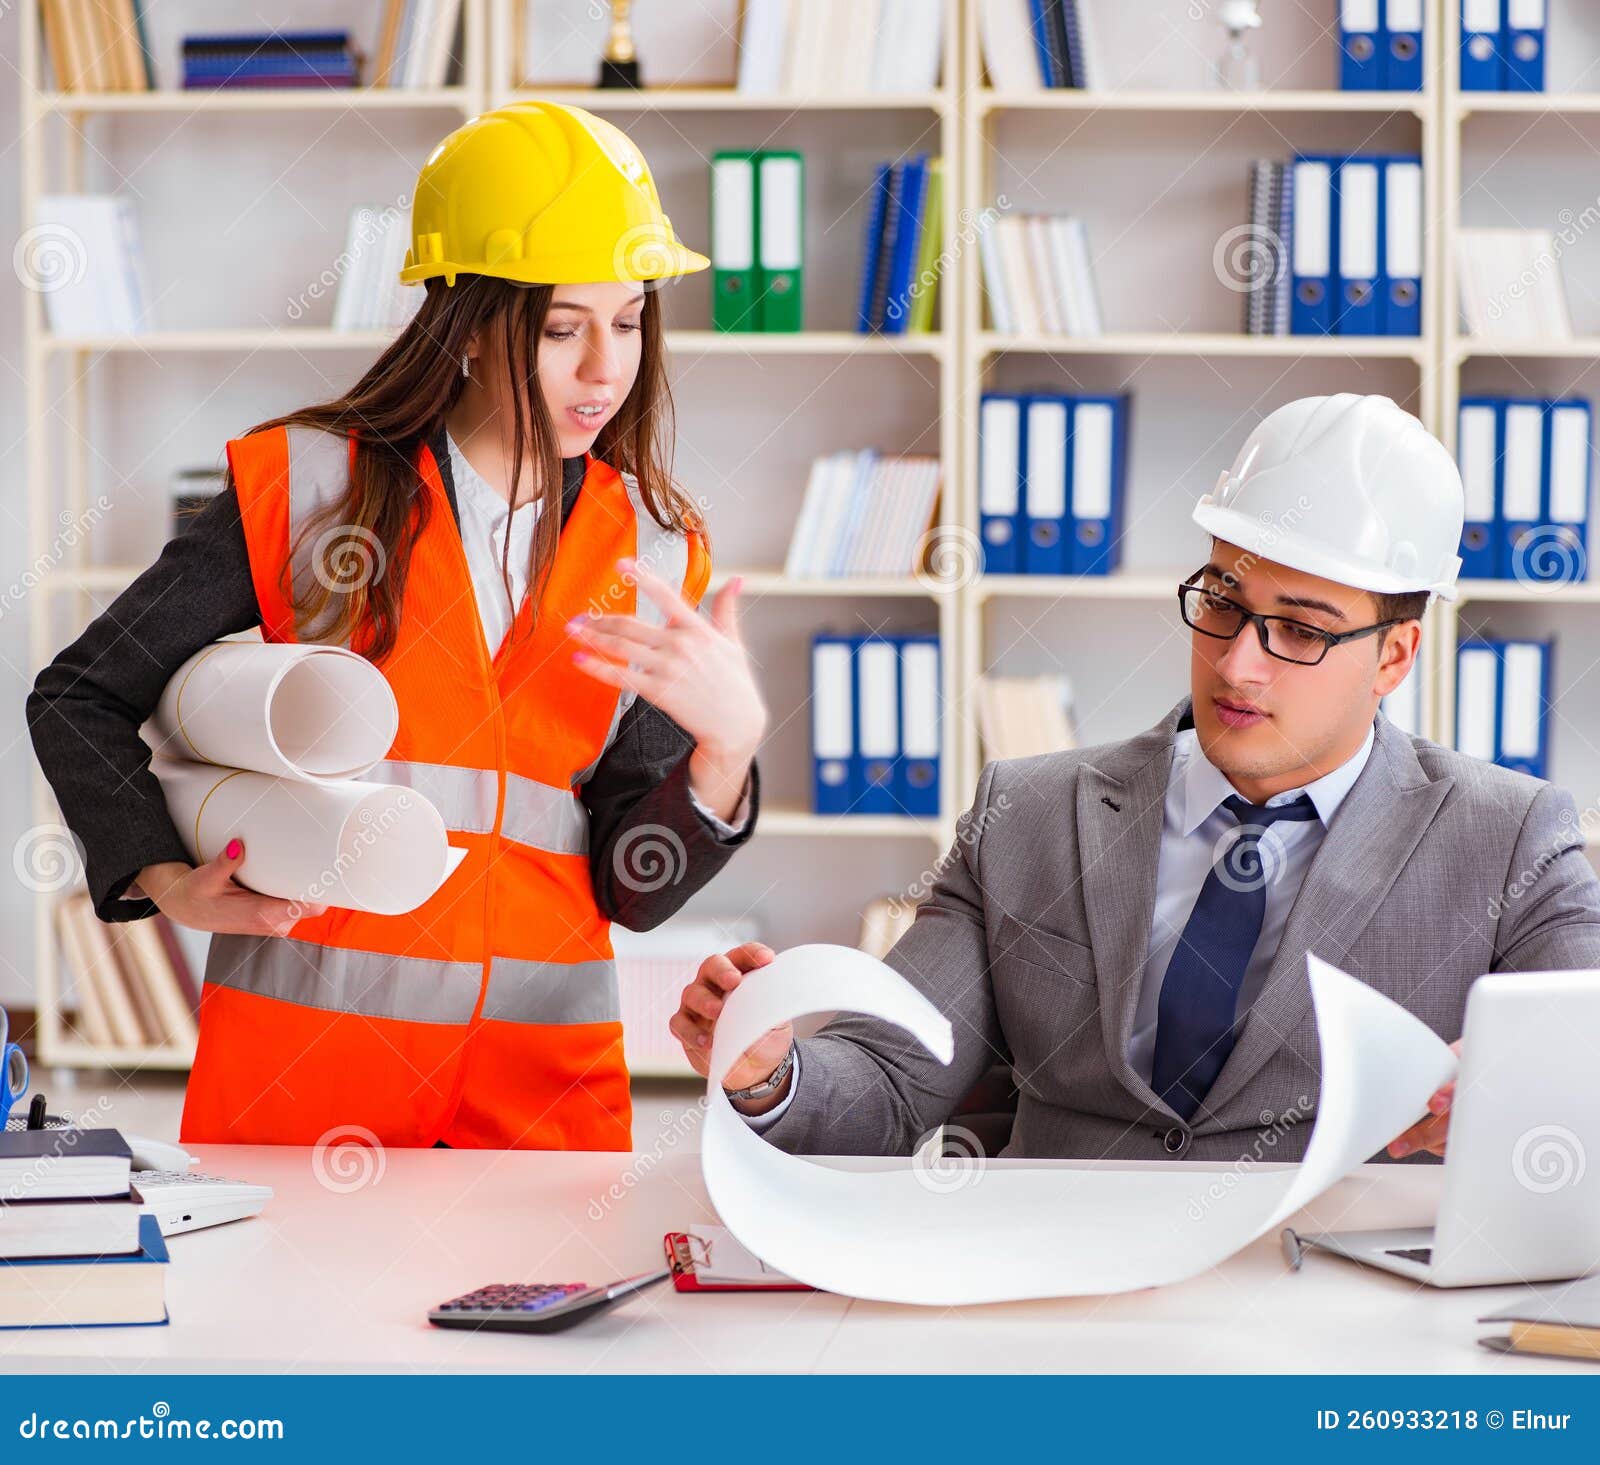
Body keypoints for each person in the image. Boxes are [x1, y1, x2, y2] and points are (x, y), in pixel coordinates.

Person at [27, 100, 767, 1152]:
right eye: (562, 328)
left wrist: (726, 757)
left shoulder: (652, 545)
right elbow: (78, 696)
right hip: (311, 1086)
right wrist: (161, 878)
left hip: (537, 1100)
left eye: (630, 319)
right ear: (465, 325)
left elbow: (628, 888)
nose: (608, 368)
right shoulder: (311, 485)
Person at [672, 393, 1600, 1163]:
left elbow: (1582, 1072)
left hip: (1337, 1317)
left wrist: (1523, 1091)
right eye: (1224, 603)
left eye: (1302, 630)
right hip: (1060, 1311)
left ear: (1395, 655)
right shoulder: (1027, 815)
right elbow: (887, 1083)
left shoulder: (1508, 839)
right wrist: (771, 1068)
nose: (1238, 666)